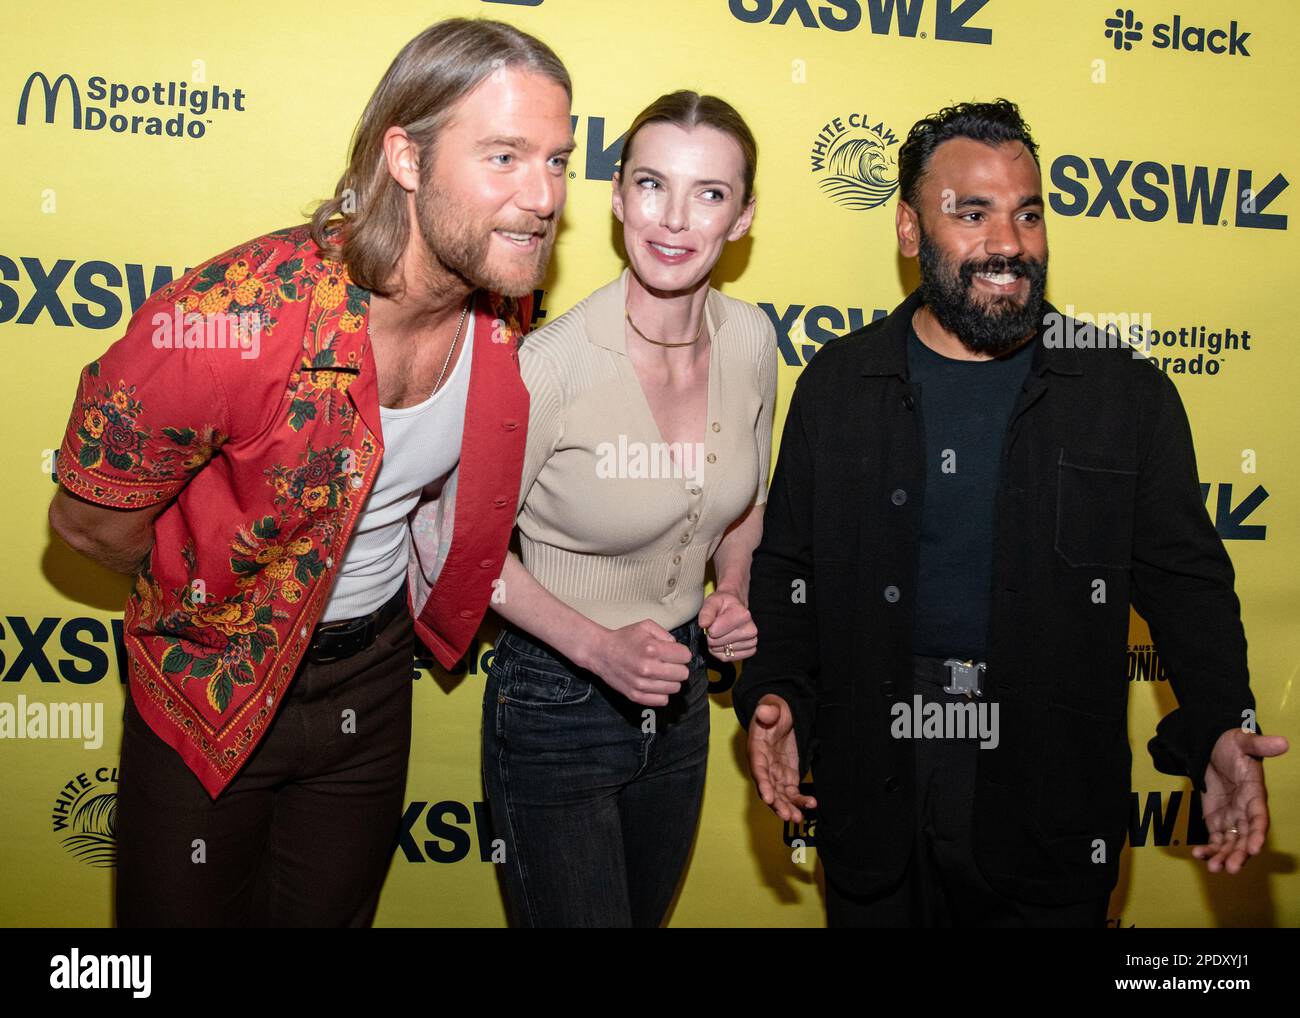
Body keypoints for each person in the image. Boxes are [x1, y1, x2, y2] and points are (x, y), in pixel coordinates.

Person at [46, 17, 575, 927]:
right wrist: (212, 600)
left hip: (369, 689)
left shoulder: (502, 318)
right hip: (210, 688)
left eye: (559, 161)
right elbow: (88, 521)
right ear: (405, 159)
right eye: (505, 157)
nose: (543, 196)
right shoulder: (235, 320)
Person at [734, 99, 1288, 927]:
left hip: (1048, 793)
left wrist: (1217, 723)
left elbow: (1187, 586)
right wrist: (776, 693)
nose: (1008, 244)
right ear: (910, 230)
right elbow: (789, 569)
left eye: (1028, 215)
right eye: (973, 214)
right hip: (874, 782)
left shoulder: (1122, 393)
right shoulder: (840, 385)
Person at [482, 91, 777, 927]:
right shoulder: (548, 366)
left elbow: (747, 499)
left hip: (681, 700)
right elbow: (455, 550)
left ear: (744, 216)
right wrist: (596, 648)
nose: (674, 220)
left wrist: (734, 588)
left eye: (709, 194)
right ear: (615, 198)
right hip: (555, 699)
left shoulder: (753, 341)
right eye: (651, 185)